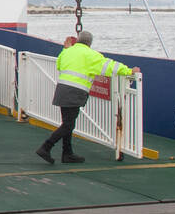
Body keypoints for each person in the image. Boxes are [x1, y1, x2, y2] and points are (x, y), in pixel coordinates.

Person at [37, 30, 140, 164]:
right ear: (90, 43)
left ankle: (67, 153)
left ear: (78, 40)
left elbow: (59, 65)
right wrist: (129, 71)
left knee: (68, 123)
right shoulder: (92, 55)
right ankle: (46, 147)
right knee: (68, 125)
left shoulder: (67, 51)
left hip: (62, 89)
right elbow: (111, 67)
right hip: (75, 92)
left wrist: (65, 48)